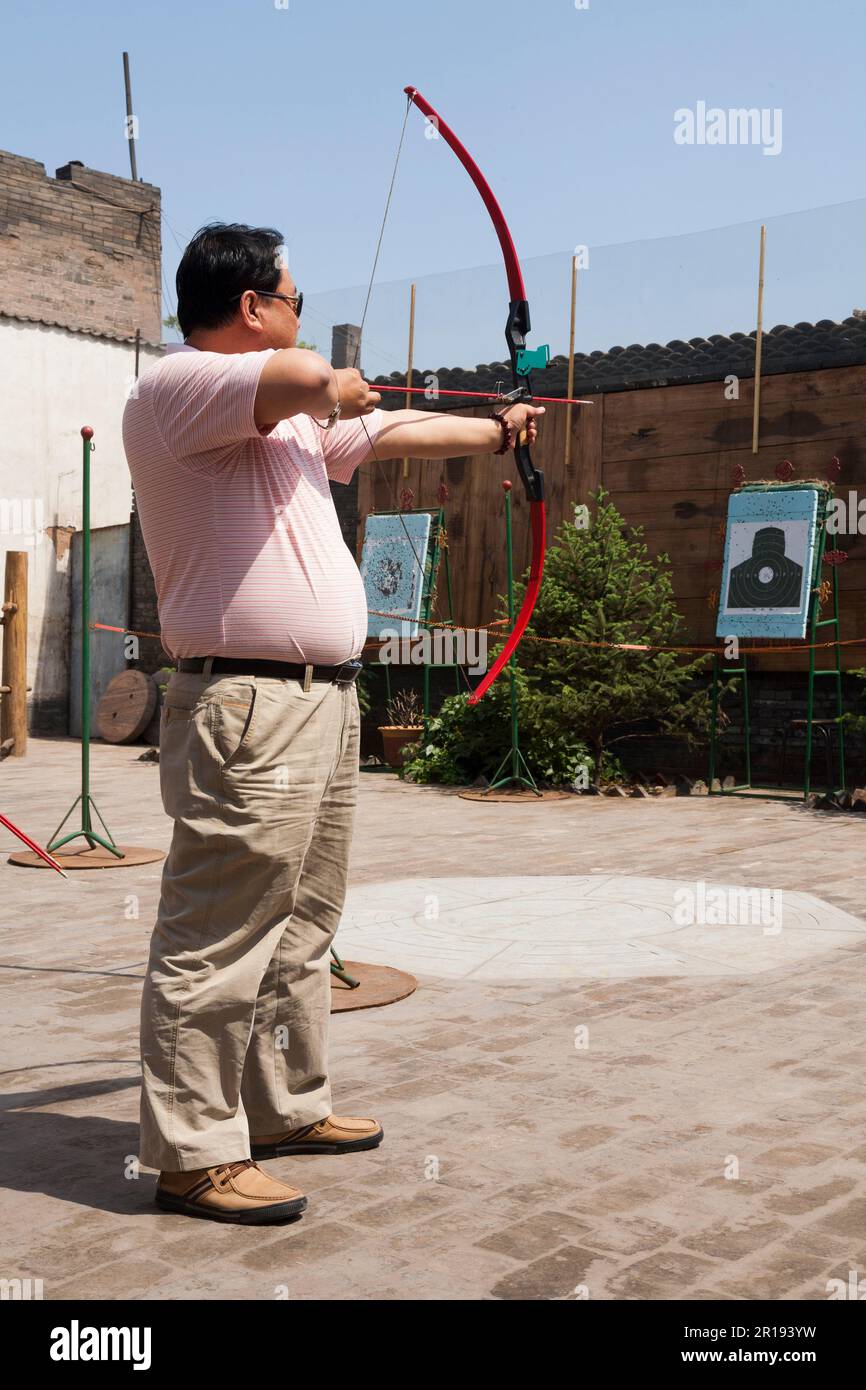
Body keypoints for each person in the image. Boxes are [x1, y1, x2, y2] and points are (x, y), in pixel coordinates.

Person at [123, 222, 544, 1224]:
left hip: (318, 698)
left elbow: (388, 429)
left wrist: (497, 430)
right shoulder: (178, 389)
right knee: (214, 935)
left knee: (302, 924)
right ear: (253, 309)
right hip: (247, 706)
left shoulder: (283, 420)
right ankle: (190, 1155)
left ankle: (280, 1107)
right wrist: (328, 380)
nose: (300, 314)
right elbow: (317, 381)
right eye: (292, 298)